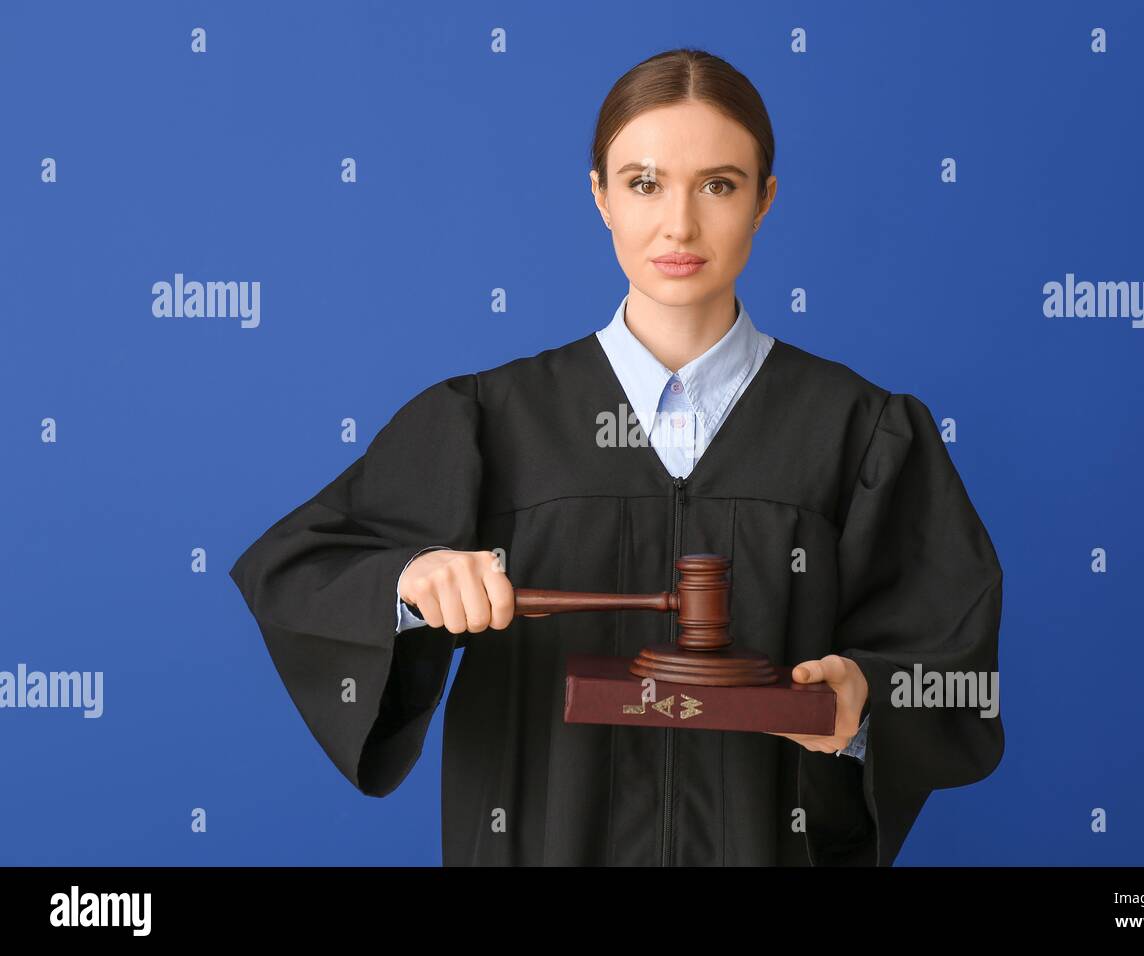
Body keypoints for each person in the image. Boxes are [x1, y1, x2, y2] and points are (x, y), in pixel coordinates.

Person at [229, 48, 1004, 866]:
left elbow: (950, 664)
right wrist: (410, 582)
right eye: (643, 183)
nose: (679, 225)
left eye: (719, 184)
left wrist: (864, 705)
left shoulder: (860, 431)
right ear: (598, 196)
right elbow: (295, 570)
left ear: (765, 200)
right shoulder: (490, 422)